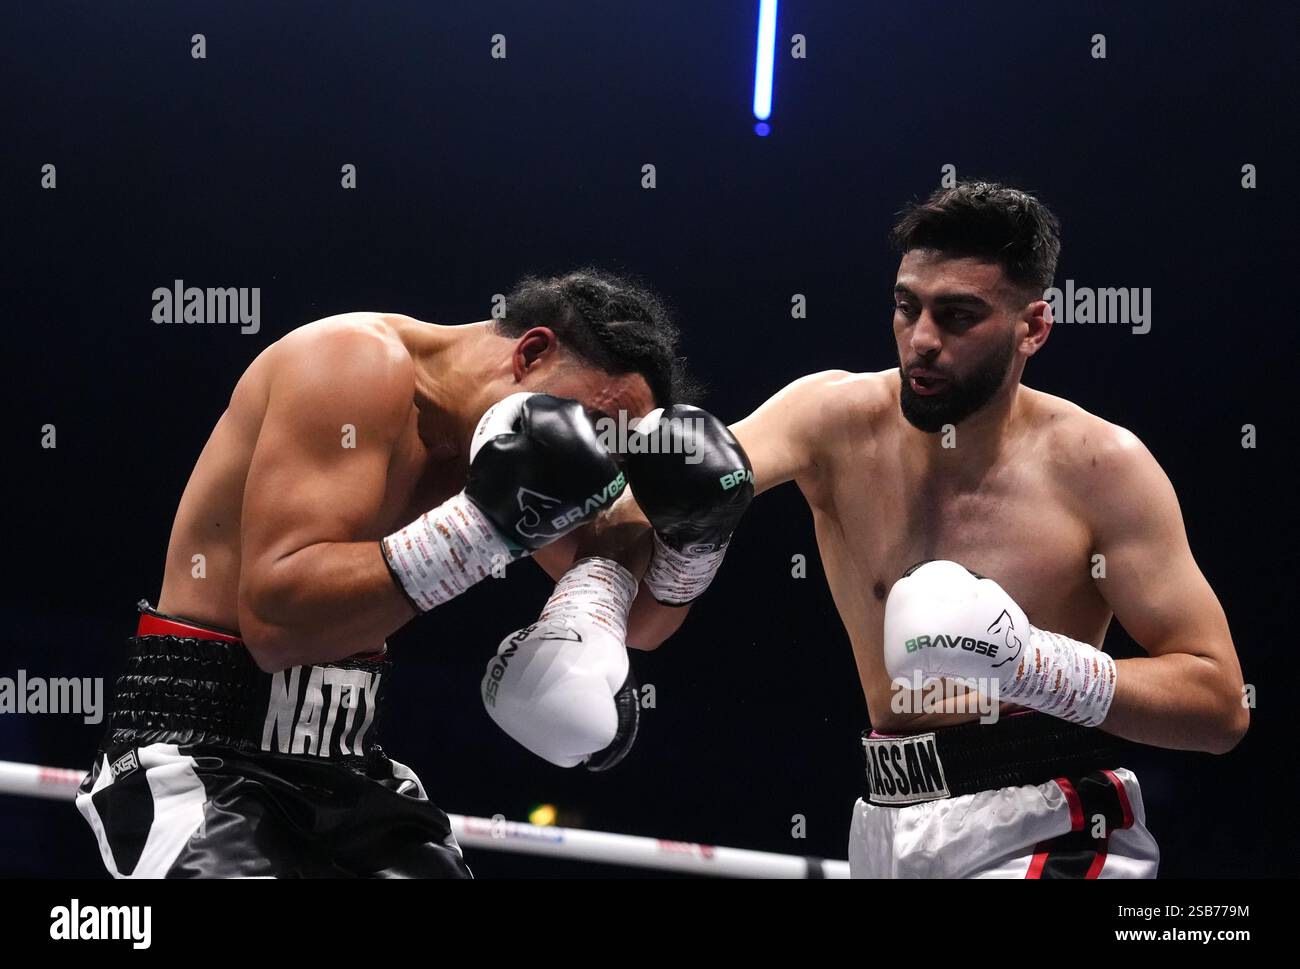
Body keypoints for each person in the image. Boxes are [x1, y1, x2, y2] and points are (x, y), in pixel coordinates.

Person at [486, 183, 1248, 879]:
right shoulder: (832, 419)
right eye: (906, 306)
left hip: (1053, 818)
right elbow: (672, 495)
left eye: (957, 316)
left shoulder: (1101, 466)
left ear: (1034, 326)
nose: (920, 340)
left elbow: (1219, 705)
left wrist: (1031, 663)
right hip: (885, 822)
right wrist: (583, 618)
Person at [76, 268, 693, 878]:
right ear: (531, 353)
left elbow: (639, 619)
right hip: (201, 749)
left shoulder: (506, 445)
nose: (584, 453)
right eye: (588, 424)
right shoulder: (352, 361)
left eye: (607, 447)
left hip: (347, 761)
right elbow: (277, 628)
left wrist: (691, 547)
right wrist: (485, 528)